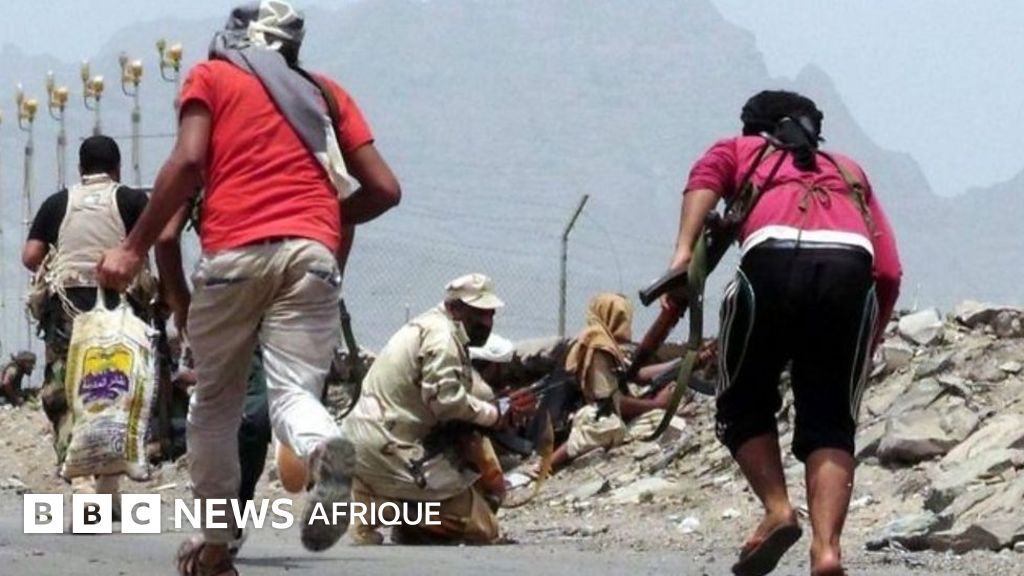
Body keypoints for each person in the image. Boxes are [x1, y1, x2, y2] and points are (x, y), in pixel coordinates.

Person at [96, 1, 400, 573]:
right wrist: (324, 224)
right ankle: (321, 449)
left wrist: (130, 249)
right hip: (312, 258)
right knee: (294, 398)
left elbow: (187, 162)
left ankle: (215, 548)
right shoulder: (326, 94)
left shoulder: (211, 77)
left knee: (213, 405)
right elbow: (383, 189)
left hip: (234, 255)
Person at [667, 90, 902, 576]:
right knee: (831, 419)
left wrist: (683, 253)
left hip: (772, 263)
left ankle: (777, 508)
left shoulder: (739, 150)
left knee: (741, 400)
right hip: (848, 272)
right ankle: (827, 550)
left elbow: (704, 180)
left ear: (756, 129)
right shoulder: (849, 170)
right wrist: (868, 337)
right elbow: (889, 274)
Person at [341, 274, 535, 546]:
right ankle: (400, 512)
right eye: (479, 314)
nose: (487, 323)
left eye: (490, 314)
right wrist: (495, 416)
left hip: (363, 443)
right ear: (456, 308)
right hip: (390, 448)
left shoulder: (429, 327)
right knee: (483, 529)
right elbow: (446, 402)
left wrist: (496, 406)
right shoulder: (442, 338)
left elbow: (458, 394)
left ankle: (373, 509)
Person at [22, 134, 151, 475]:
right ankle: (111, 478)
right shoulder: (132, 199)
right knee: (117, 390)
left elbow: (30, 256)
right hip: (121, 308)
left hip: (68, 310)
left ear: (80, 169)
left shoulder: (57, 202)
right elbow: (159, 240)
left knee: (64, 389)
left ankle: (77, 472)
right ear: (117, 168)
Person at [547, 293, 679, 471]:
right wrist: (657, 403)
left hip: (602, 412)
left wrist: (685, 363)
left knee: (661, 420)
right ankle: (545, 465)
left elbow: (635, 374)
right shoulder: (598, 346)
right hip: (588, 418)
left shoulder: (607, 343)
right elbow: (611, 402)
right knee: (608, 425)